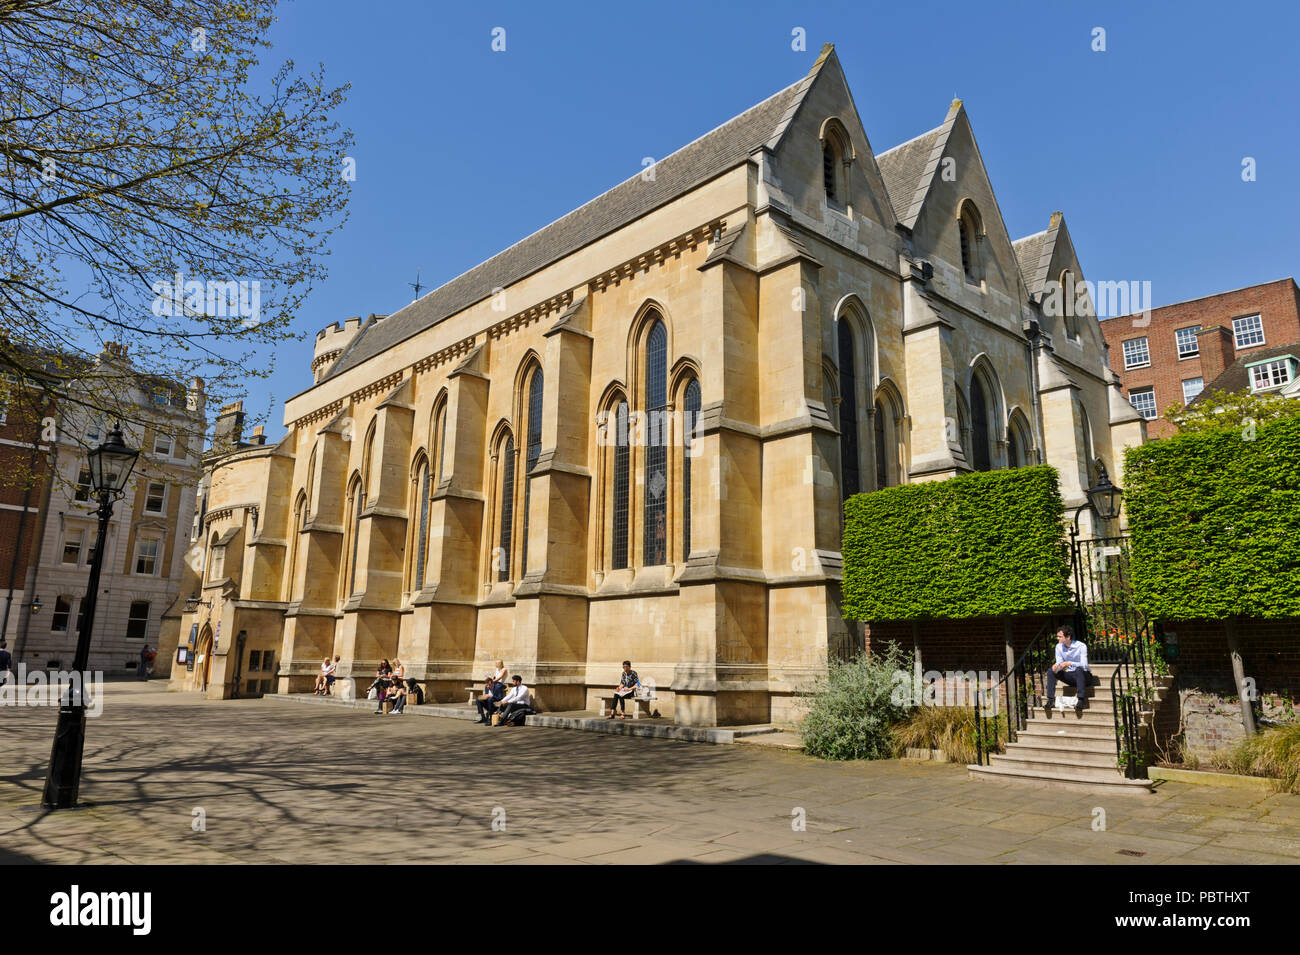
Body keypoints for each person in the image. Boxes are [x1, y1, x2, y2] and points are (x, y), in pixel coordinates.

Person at [1045, 625, 1090, 710]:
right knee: (1051, 671)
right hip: (1070, 677)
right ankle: (1051, 700)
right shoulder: (1058, 646)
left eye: (1060, 636)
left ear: (1068, 637)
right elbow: (1060, 662)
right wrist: (1056, 666)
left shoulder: (1081, 646)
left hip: (1084, 676)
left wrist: (1069, 663)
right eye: (1057, 636)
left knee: (1079, 669)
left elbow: (1084, 665)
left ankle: (1080, 701)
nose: (1058, 638)